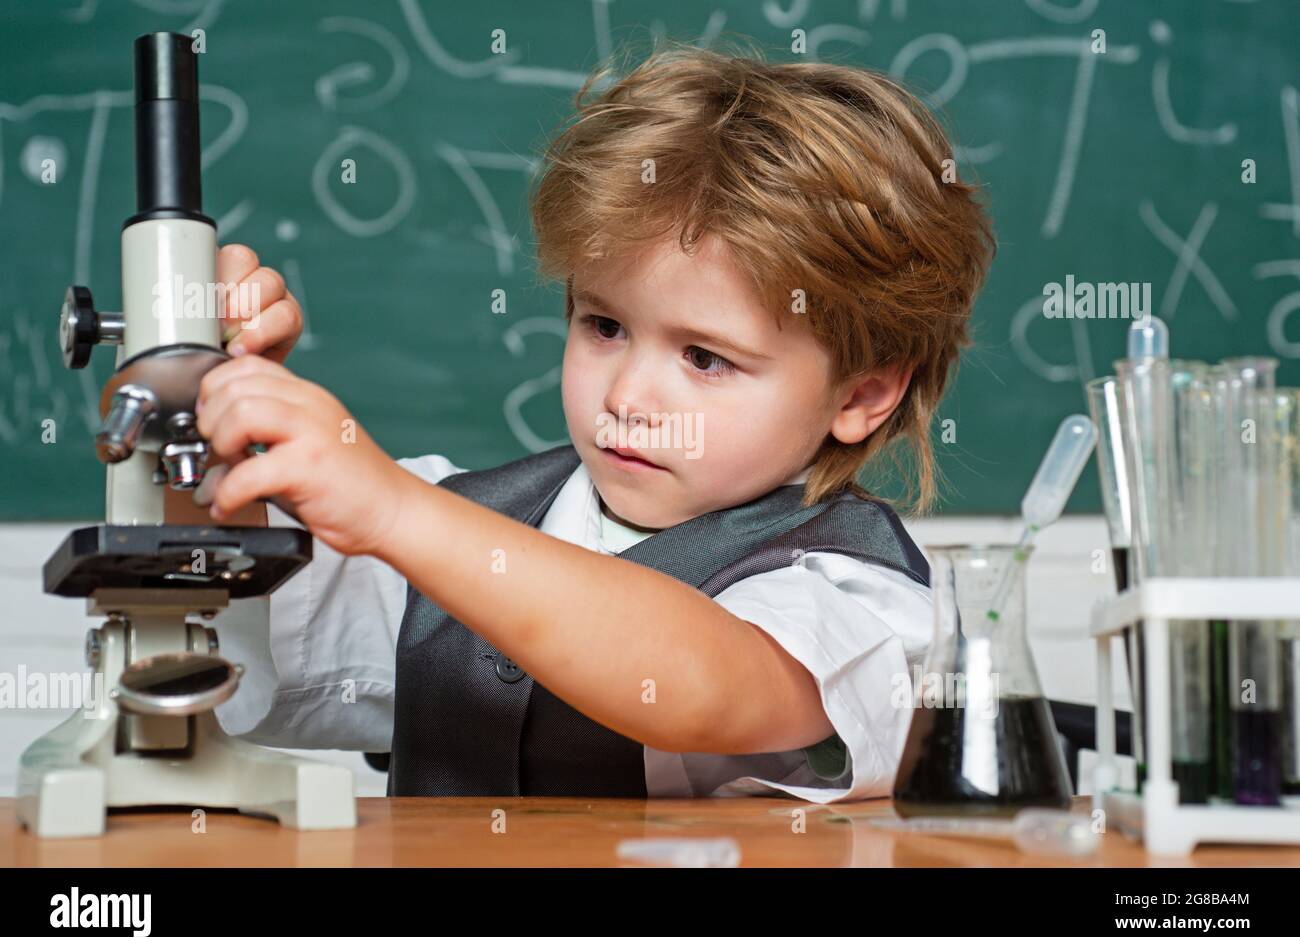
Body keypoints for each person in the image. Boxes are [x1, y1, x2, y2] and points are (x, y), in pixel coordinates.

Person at [199, 43, 994, 801]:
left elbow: (706, 684)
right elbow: (221, 622)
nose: (628, 398)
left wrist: (396, 511)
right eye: (604, 326)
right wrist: (212, 406)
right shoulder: (456, 519)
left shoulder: (863, 594)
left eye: (706, 358)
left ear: (862, 394)